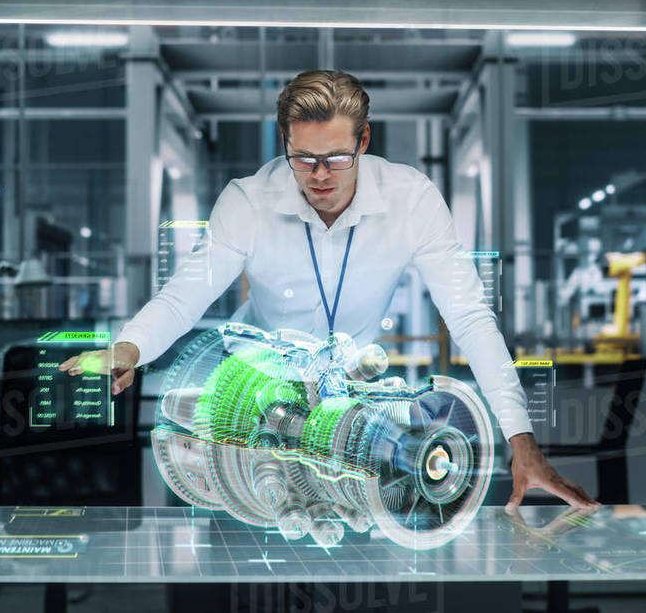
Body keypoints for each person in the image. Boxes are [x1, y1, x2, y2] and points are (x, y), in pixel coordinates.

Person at [59, 70, 598, 511]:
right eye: (303, 158)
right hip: (251, 393)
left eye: (337, 158)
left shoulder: (411, 199)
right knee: (235, 550)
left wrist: (520, 441)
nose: (319, 175)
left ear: (364, 140)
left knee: (359, 548)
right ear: (285, 143)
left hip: (348, 398)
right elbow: (184, 296)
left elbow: (471, 318)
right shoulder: (248, 201)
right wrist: (130, 347)